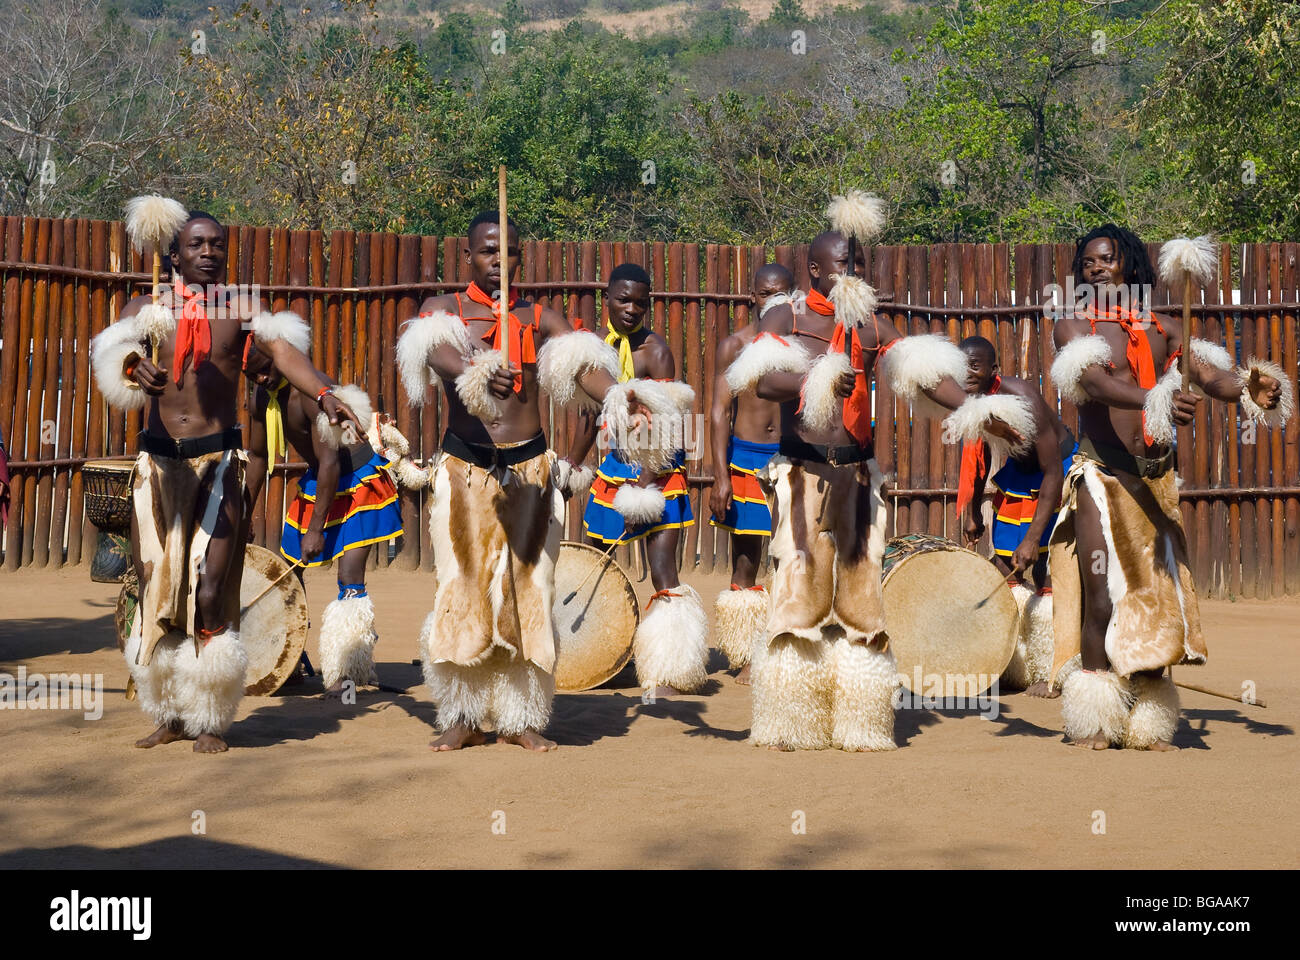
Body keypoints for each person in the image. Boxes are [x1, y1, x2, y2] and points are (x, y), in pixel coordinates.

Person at [728, 217, 1030, 752]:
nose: (853, 272)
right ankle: (790, 721)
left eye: (860, 264)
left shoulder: (871, 327)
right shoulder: (786, 314)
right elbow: (759, 378)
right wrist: (817, 376)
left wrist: (980, 410)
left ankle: (860, 722)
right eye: (842, 264)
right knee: (799, 591)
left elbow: (927, 377)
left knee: (861, 600)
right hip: (802, 475)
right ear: (816, 270)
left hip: (859, 478)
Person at [90, 207, 360, 753]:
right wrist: (131, 367)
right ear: (175, 255)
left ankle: (211, 716)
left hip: (217, 463)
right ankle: (169, 711)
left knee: (212, 589)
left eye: (217, 245)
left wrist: (327, 395)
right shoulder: (145, 307)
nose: (209, 253)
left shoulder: (242, 309)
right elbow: (112, 356)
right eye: (196, 245)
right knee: (157, 589)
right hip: (159, 466)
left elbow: (285, 354)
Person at [397, 214, 664, 751]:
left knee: (530, 591)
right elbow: (435, 352)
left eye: (510, 251)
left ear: (521, 258)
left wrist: (619, 394)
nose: (500, 259)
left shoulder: (540, 317)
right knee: (461, 589)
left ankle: (521, 719)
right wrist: (475, 369)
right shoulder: (443, 312)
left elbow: (583, 364)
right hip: (464, 471)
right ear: (468, 256)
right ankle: (464, 716)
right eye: (489, 250)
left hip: (531, 473)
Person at [1047, 224, 1292, 750]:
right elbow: (1093, 383)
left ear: (1130, 265)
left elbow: (1207, 376)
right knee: (1100, 598)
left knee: (1153, 602)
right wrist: (1155, 400)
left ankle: (1149, 718)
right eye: (1087, 261)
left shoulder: (1164, 329)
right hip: (1100, 476)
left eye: (1106, 259)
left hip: (1154, 482)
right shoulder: (1073, 326)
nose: (1094, 268)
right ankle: (1094, 717)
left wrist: (1248, 386)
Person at [567, 263, 707, 700]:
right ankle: (602, 656)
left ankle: (669, 670)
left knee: (661, 567)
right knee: (595, 563)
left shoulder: (655, 351)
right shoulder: (596, 352)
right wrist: (570, 466)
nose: (631, 309)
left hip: (658, 466)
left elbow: (666, 424)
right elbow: (592, 416)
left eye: (640, 303)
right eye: (623, 300)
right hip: (613, 465)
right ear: (606, 298)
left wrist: (645, 487)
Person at [245, 330, 402, 699]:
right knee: (287, 573)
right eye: (252, 375)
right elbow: (257, 457)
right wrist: (243, 517)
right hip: (321, 479)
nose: (261, 379)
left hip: (354, 479)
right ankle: (288, 660)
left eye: (265, 370)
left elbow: (331, 461)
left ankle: (347, 673)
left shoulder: (311, 393)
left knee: (350, 576)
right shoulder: (260, 397)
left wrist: (315, 530)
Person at [956, 335, 1076, 697]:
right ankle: (1012, 665)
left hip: (1054, 474)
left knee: (1045, 569)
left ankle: (1054, 670)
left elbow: (1053, 471)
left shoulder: (1023, 399)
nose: (967, 374)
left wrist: (1032, 538)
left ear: (994, 370)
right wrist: (974, 510)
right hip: (1019, 473)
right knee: (1004, 564)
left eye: (975, 366)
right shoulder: (969, 401)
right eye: (962, 367)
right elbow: (976, 458)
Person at [706, 263, 791, 683]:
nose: (774, 299)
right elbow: (719, 411)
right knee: (747, 559)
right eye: (766, 292)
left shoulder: (801, 342)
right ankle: (745, 652)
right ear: (752, 297)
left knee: (793, 557)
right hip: (746, 460)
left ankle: (786, 645)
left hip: (791, 459)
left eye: (782, 292)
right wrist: (720, 476)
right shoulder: (734, 346)